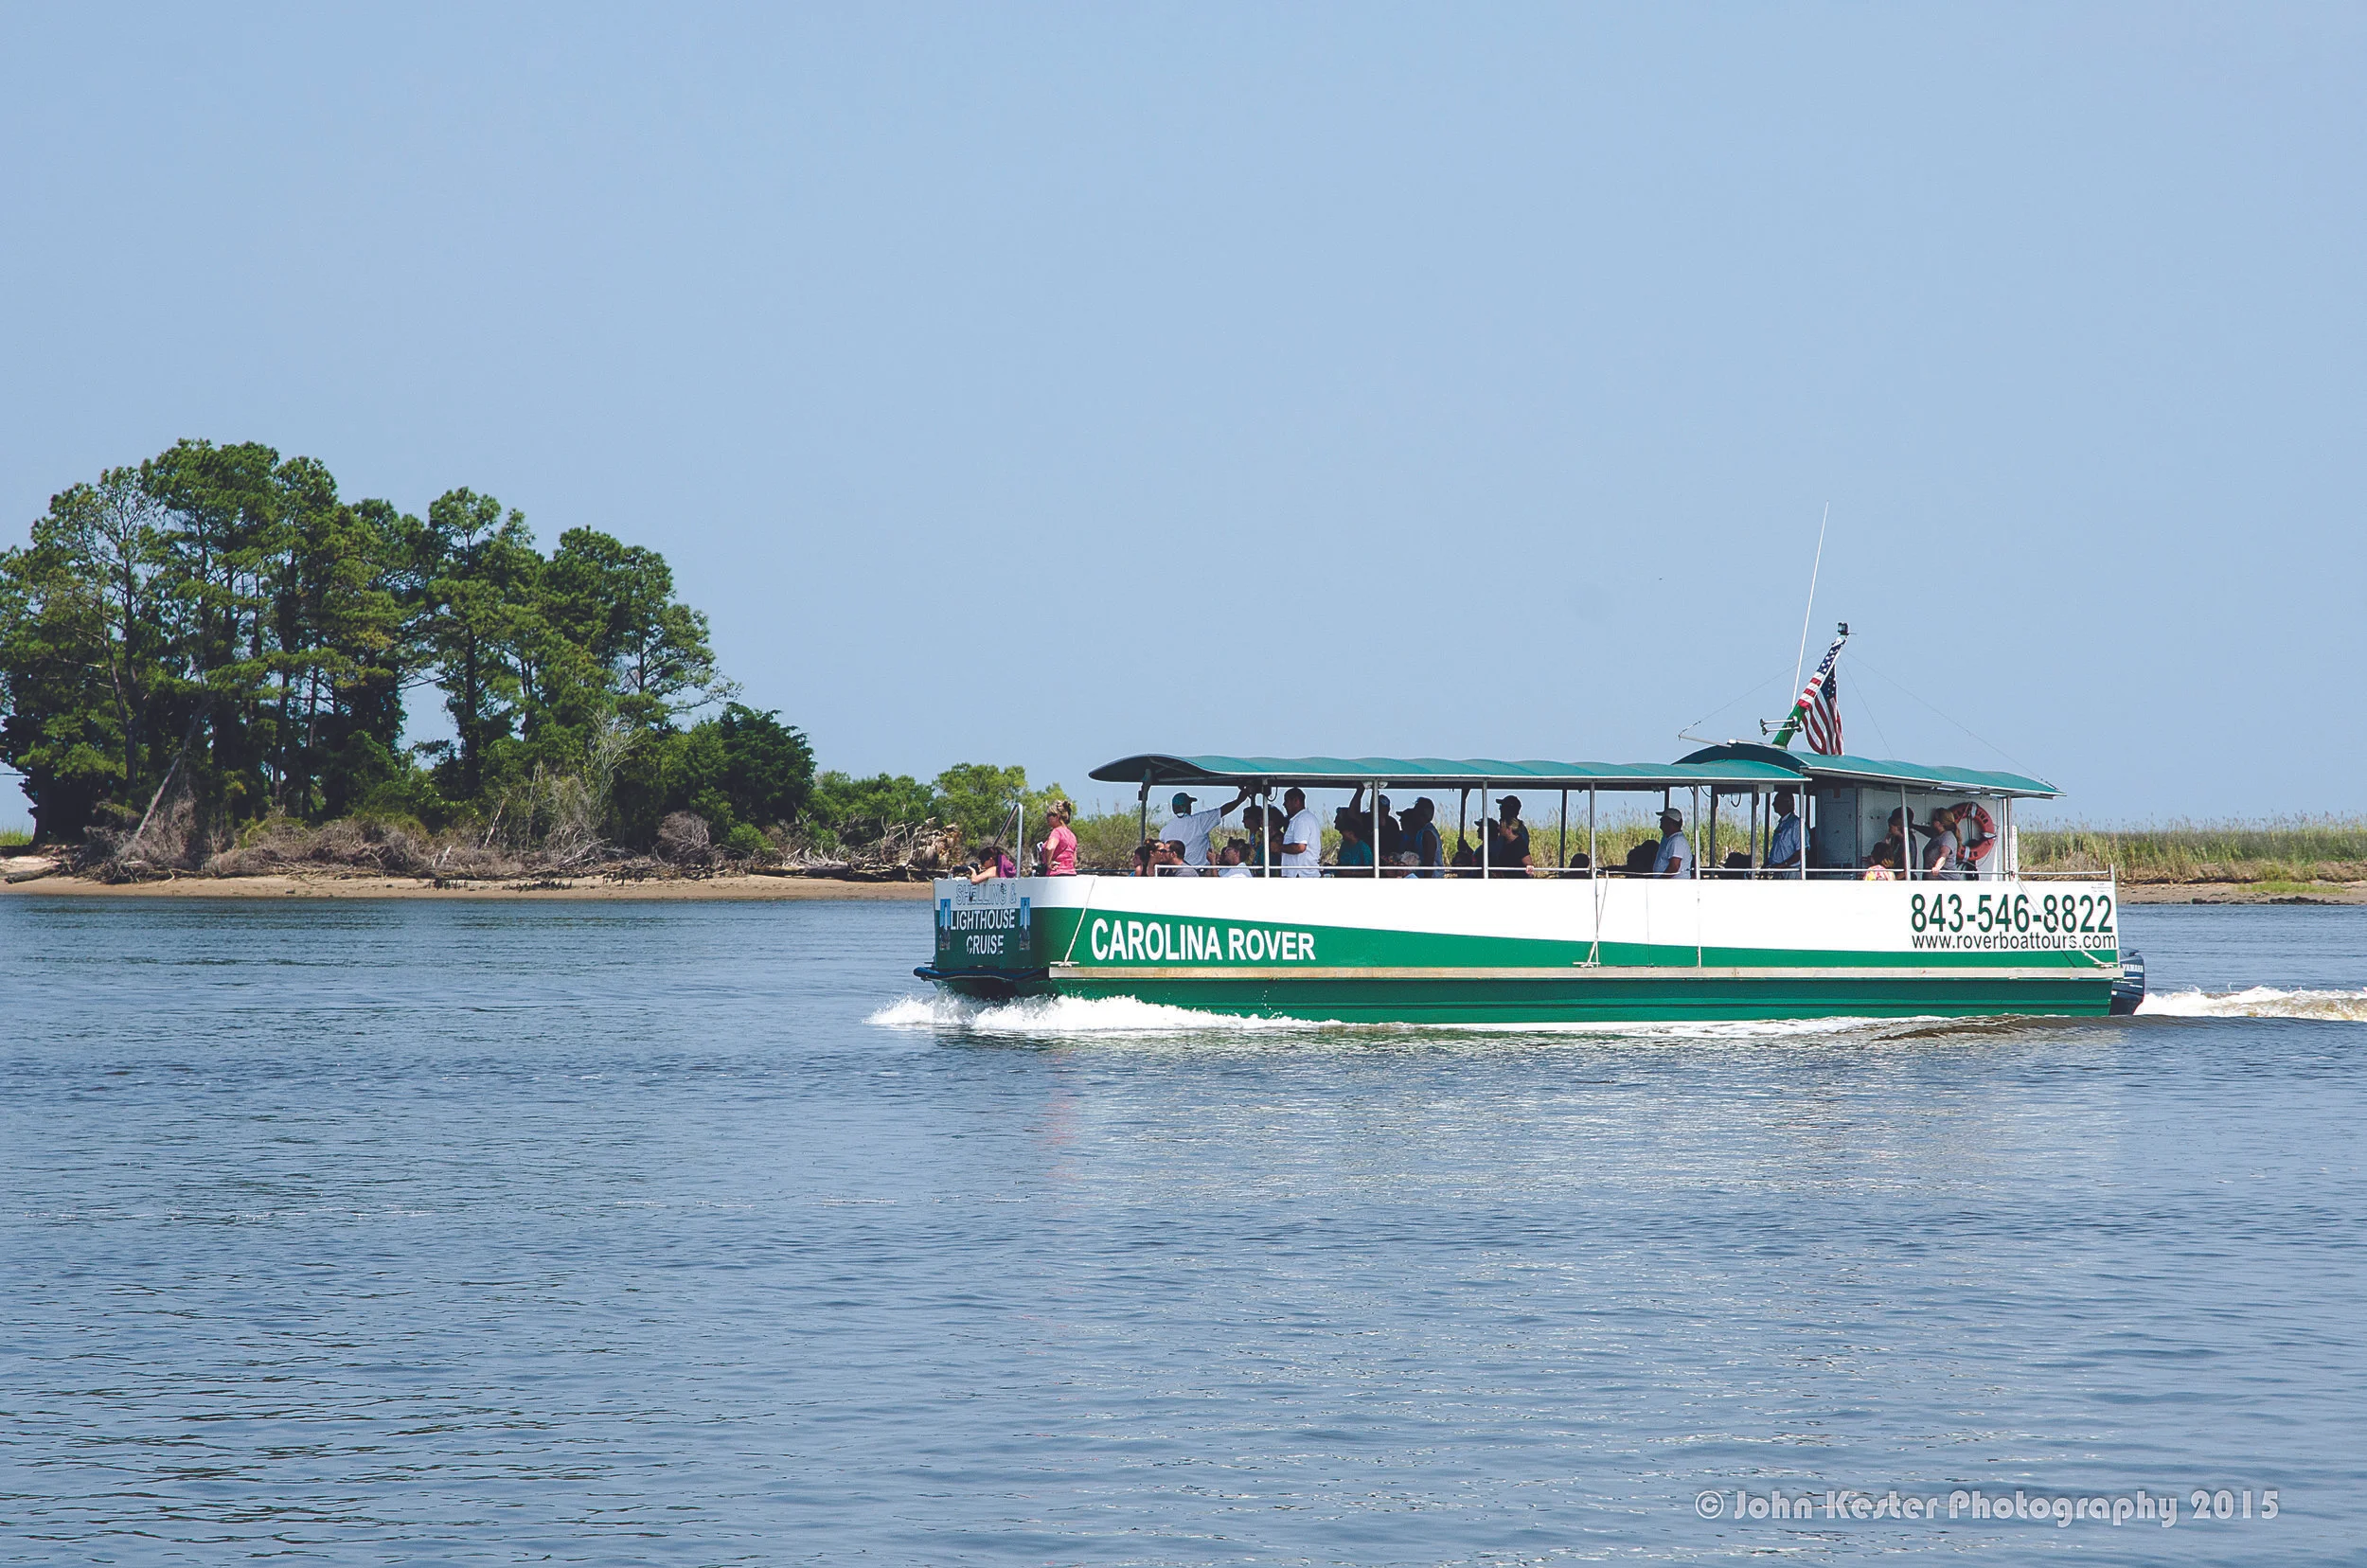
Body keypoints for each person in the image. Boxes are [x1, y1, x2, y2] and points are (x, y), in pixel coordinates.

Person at [1163, 787, 1254, 868]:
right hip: (1199, 871)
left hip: (1176, 872)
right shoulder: (1198, 821)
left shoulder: (1164, 830)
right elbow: (1222, 811)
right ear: (1187, 807)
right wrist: (1239, 800)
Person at [1485, 795, 1533, 877]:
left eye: (1502, 806)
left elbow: (1524, 858)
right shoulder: (1504, 838)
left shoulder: (1520, 835)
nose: (1500, 809)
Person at [1279, 788, 1322, 878]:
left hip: (1301, 874)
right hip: (1300, 874)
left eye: (1286, 801)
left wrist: (1279, 847)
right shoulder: (1302, 818)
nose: (1284, 804)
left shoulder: (1302, 820)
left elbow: (1300, 847)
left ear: (1296, 801)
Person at [1037, 798, 1078, 876]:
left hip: (1056, 874)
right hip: (1071, 874)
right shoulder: (1072, 835)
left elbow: (1050, 848)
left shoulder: (1057, 832)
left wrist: (1048, 863)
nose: (1047, 818)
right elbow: (1074, 860)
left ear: (1057, 816)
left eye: (1049, 815)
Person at [1403, 798, 1444, 876]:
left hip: (1432, 878)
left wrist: (1426, 881)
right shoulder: (1421, 831)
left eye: (1415, 812)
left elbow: (1429, 862)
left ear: (1421, 815)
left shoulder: (1428, 833)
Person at [1765, 790, 1803, 871]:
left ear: (1787, 803)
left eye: (1777, 802)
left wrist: (1783, 865)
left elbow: (1802, 851)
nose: (1773, 804)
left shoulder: (1795, 824)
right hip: (1778, 870)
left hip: (1790, 871)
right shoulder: (1782, 824)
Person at [1651, 807, 1694, 877]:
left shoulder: (1677, 841)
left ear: (1670, 822)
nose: (1660, 820)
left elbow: (1674, 867)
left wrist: (1660, 882)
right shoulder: (1667, 838)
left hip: (1673, 885)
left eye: (1663, 818)